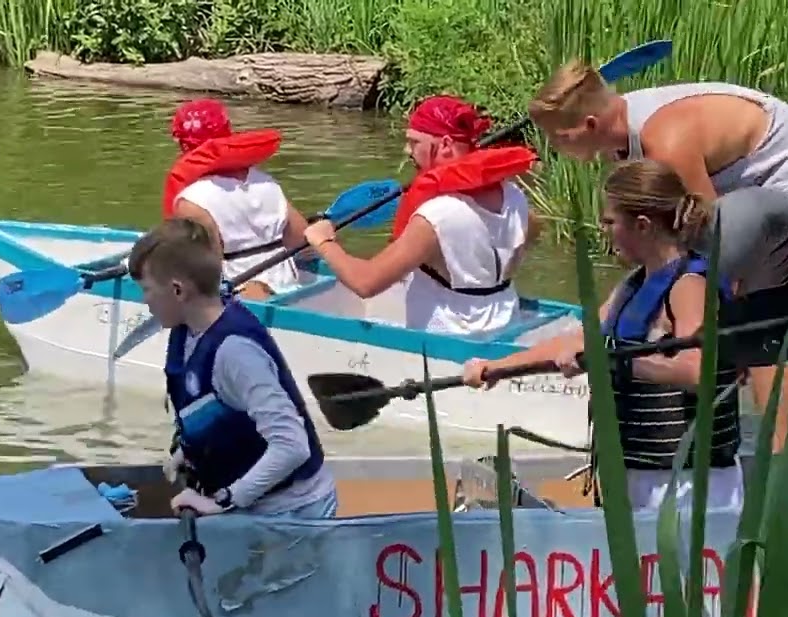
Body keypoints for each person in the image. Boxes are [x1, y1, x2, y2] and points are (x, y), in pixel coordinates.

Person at [526, 62, 788, 449]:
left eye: (557, 136)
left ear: (589, 124)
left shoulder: (663, 141)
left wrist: (728, 307)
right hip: (742, 203)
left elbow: (709, 235)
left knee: (760, 342)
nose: (553, 147)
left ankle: (787, 470)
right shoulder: (620, 141)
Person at [463, 159, 743, 511]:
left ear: (642, 225)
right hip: (633, 470)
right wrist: (496, 368)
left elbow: (697, 371)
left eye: (610, 222)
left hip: (686, 483)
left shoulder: (690, 286)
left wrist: (614, 359)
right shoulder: (635, 283)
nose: (604, 230)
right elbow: (580, 340)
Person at [128, 217, 338, 518]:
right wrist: (189, 451)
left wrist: (223, 500)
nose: (144, 301)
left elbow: (292, 446)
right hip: (253, 506)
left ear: (177, 290)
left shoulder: (235, 352)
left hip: (293, 511)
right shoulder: (187, 329)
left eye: (146, 289)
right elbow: (213, 408)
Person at [302, 95, 544, 335]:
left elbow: (365, 282)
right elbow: (531, 232)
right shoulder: (513, 194)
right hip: (504, 326)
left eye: (414, 142)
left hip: (449, 340)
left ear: (446, 145)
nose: (407, 150)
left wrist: (323, 240)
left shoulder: (438, 214)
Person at [162, 98, 310, 299]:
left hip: (242, 298)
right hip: (288, 288)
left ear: (181, 143)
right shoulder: (266, 182)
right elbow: (301, 240)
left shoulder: (192, 201)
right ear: (228, 133)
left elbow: (203, 270)